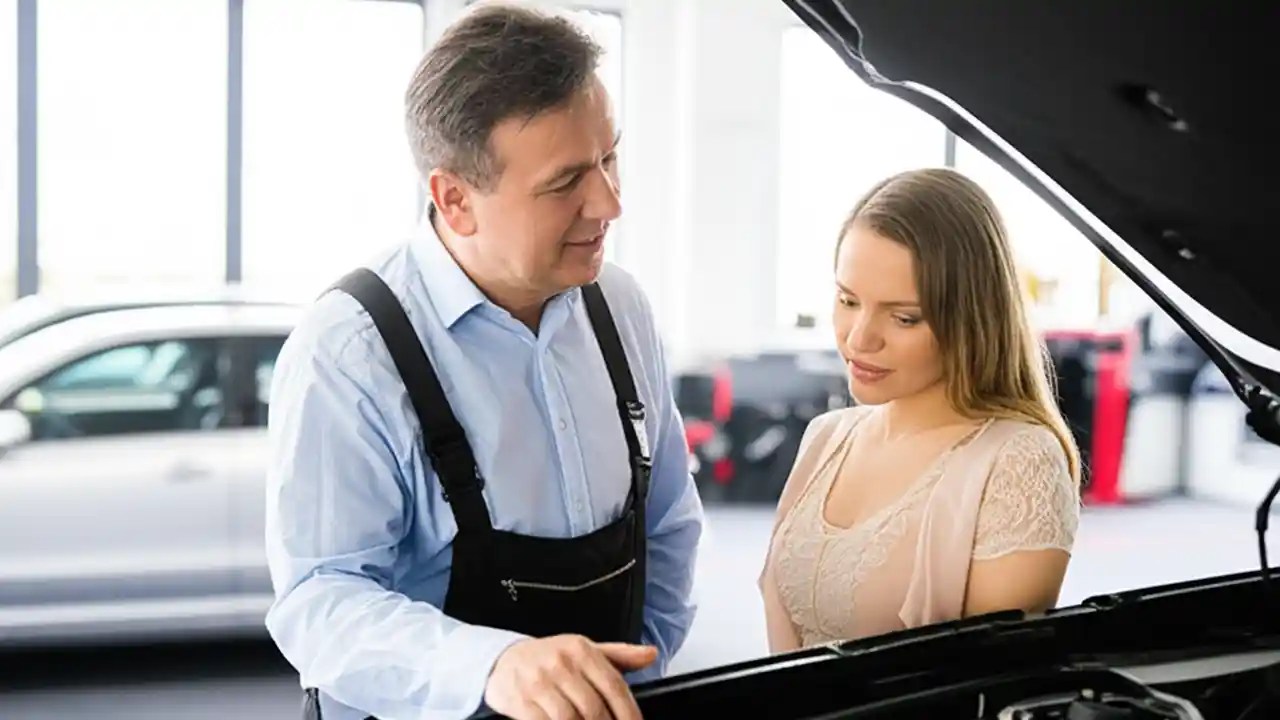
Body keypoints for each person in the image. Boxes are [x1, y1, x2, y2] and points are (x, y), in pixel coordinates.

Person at [263, 4, 704, 719]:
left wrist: (627, 692)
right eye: (566, 183)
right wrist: (492, 664)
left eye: (610, 157)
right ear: (454, 198)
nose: (610, 204)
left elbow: (668, 526)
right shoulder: (348, 354)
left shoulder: (621, 309)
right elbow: (320, 600)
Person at [758, 167, 1082, 652]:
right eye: (848, 300)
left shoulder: (1017, 463)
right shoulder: (826, 438)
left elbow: (987, 680)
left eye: (904, 317)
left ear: (970, 317)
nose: (859, 337)